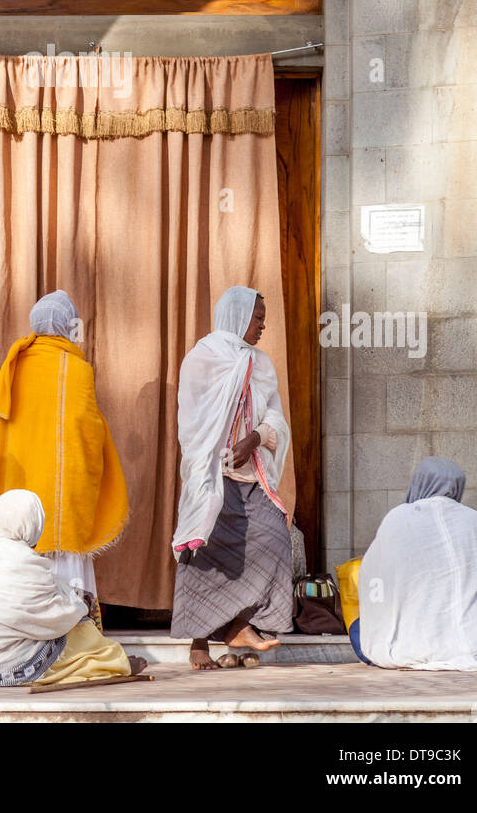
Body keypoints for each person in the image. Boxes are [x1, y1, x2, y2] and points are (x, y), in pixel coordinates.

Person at [0, 290, 128, 611]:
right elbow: (87, 433)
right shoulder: (75, 369)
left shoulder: (14, 366)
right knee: (66, 568)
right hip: (63, 506)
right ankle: (71, 641)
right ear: (69, 326)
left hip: (20, 493)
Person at [170, 285, 292, 669]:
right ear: (238, 317)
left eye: (263, 319)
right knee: (203, 552)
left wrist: (254, 438)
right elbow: (191, 421)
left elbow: (274, 416)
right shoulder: (202, 358)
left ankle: (238, 626)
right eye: (257, 318)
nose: (262, 326)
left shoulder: (261, 363)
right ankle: (199, 643)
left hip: (251, 473)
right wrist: (217, 451)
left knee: (274, 539)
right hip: (212, 474)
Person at [0, 489, 147, 687]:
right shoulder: (22, 561)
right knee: (79, 628)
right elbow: (54, 618)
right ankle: (111, 662)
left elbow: (34, 601)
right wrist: (80, 605)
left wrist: (72, 598)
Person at [354, 456, 477, 671]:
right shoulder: (474, 519)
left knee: (358, 629)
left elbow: (374, 575)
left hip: (415, 645)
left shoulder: (398, 518)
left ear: (418, 482)